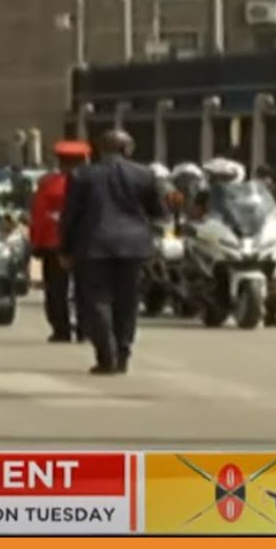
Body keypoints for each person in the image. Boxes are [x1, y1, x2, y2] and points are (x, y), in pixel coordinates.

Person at [60, 130, 165, 375]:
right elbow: (158, 212)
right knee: (127, 302)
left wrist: (65, 248)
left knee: (96, 301)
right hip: (133, 247)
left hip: (93, 246)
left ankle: (107, 354)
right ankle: (123, 354)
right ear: (128, 150)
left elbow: (70, 216)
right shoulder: (145, 175)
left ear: (100, 149)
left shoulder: (82, 175)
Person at [28, 140, 91, 343]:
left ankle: (61, 330)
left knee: (56, 290)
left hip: (52, 243)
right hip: (85, 242)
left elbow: (38, 215)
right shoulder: (92, 182)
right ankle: (85, 329)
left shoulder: (48, 183)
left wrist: (36, 242)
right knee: (86, 288)